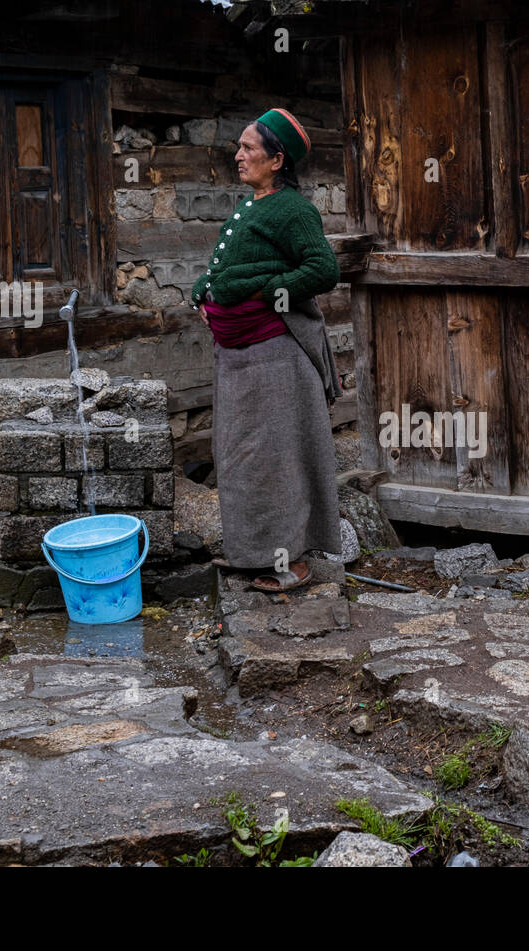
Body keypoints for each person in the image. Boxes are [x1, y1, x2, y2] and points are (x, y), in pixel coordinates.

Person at [190, 107, 342, 592]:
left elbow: (322, 270)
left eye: (248, 148)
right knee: (238, 456)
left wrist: (267, 291)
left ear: (277, 160)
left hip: (274, 356)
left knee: (277, 458)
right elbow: (226, 266)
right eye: (239, 147)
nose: (239, 155)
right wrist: (203, 291)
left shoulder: (294, 210)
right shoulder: (250, 206)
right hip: (238, 357)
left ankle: (292, 563)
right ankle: (254, 554)